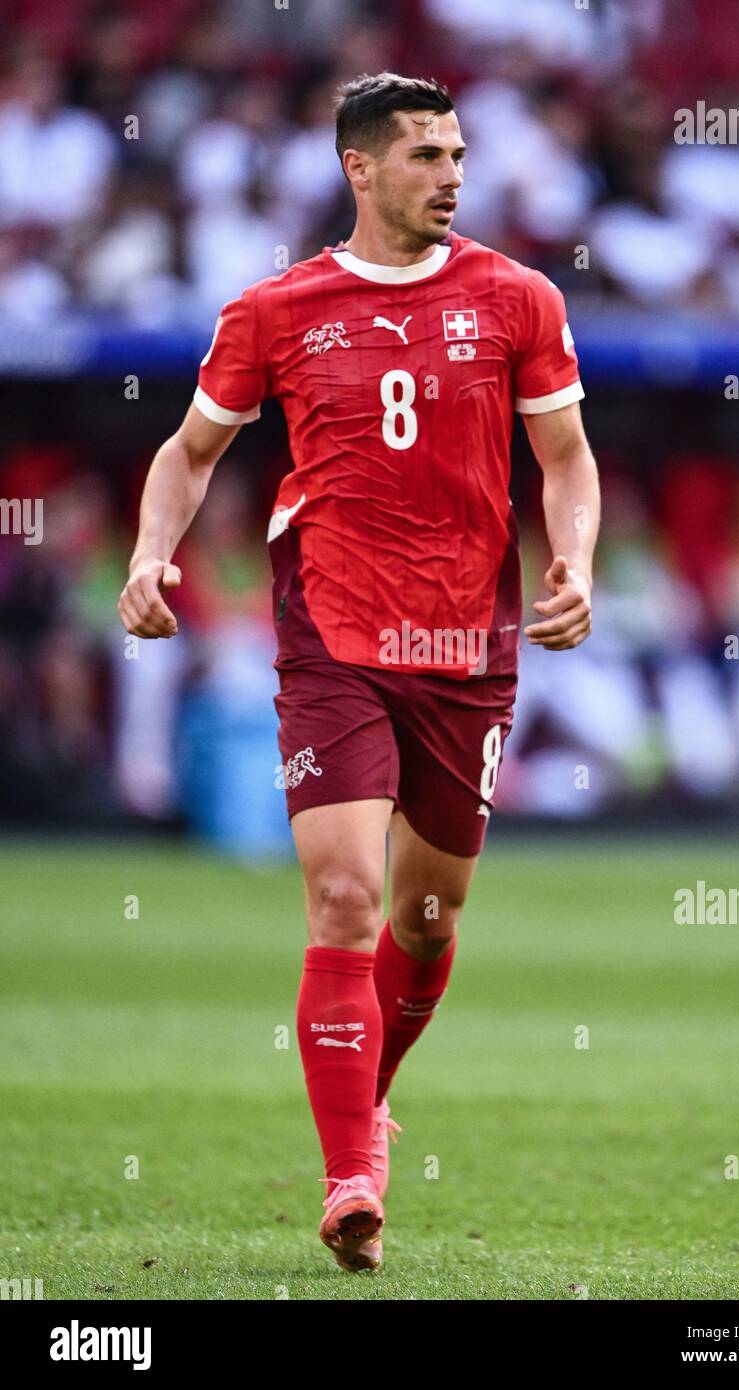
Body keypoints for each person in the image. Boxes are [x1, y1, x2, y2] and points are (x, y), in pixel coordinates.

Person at [118, 72, 600, 1273]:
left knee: (428, 922)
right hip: (330, 639)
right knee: (342, 897)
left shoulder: (517, 298)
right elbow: (186, 455)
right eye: (427, 155)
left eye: (456, 155)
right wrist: (148, 556)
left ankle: (364, 1097)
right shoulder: (276, 311)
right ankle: (351, 1174)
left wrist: (575, 560)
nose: (451, 175)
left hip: (466, 649)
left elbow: (567, 458)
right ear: (360, 169)